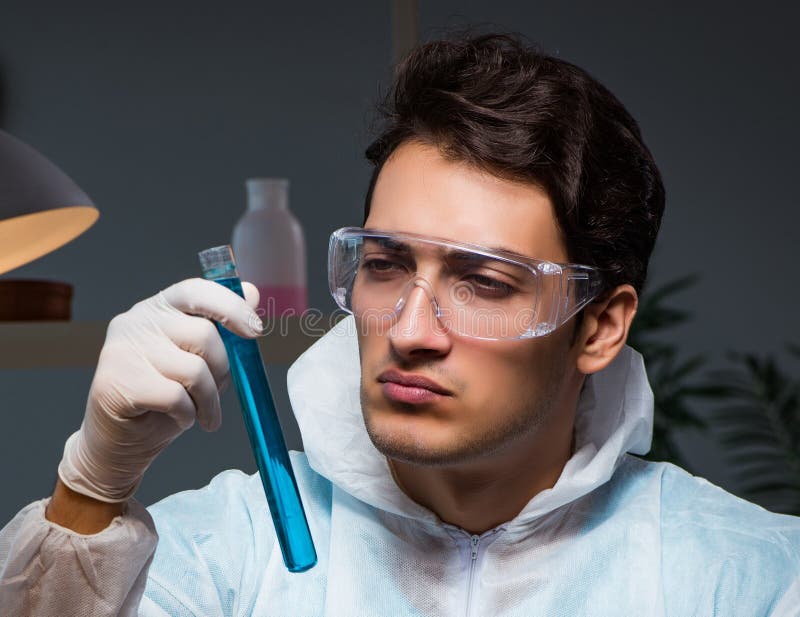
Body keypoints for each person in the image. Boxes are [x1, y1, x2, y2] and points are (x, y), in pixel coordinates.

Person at [1, 32, 799, 616]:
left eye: (484, 282)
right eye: (384, 264)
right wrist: (90, 490)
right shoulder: (230, 548)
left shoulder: (742, 579)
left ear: (598, 327)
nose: (412, 330)